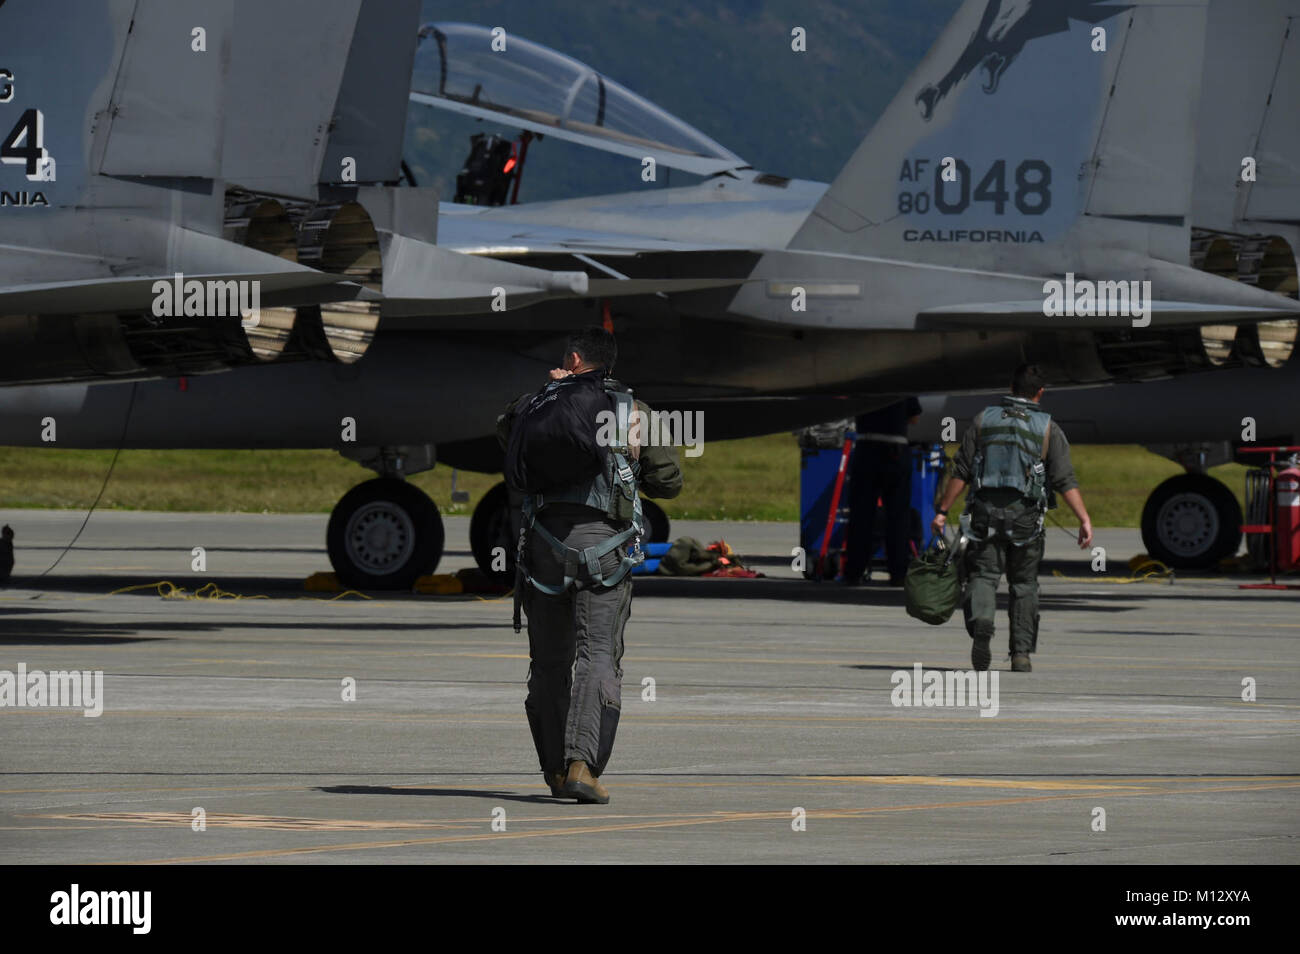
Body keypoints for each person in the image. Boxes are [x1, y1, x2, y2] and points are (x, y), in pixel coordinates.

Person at [498, 327, 682, 804]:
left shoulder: (537, 402)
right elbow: (668, 483)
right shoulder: (632, 412)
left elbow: (506, 435)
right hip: (605, 548)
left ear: (574, 359)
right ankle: (583, 765)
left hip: (541, 548)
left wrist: (549, 391)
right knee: (598, 654)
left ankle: (554, 771)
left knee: (550, 661)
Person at [930, 364, 1093, 673]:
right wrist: (1084, 518)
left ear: (1010, 387)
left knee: (983, 576)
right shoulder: (1047, 427)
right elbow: (1063, 479)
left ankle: (982, 623)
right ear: (1040, 393)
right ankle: (1020, 654)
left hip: (984, 513)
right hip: (1026, 519)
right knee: (1024, 584)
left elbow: (961, 470)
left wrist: (941, 511)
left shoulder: (983, 420)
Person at [843, 397, 922, 586]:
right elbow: (914, 418)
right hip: (896, 448)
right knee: (898, 517)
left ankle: (854, 571)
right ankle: (898, 573)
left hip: (866, 447)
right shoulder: (902, 381)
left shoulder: (866, 382)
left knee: (861, 514)